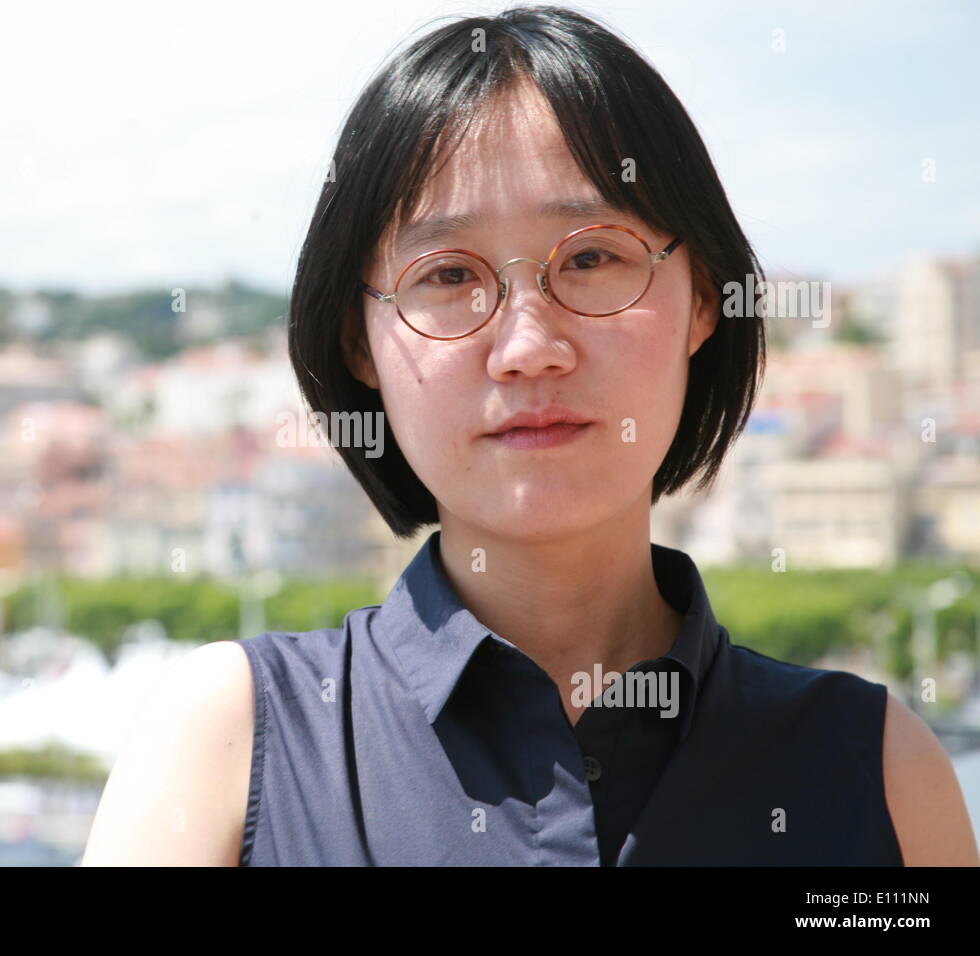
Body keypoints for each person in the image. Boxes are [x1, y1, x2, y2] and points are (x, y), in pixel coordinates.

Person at [82, 5, 978, 866]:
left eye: (591, 258)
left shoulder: (878, 774)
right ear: (359, 339)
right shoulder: (235, 745)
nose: (527, 348)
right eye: (447, 274)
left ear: (704, 298)